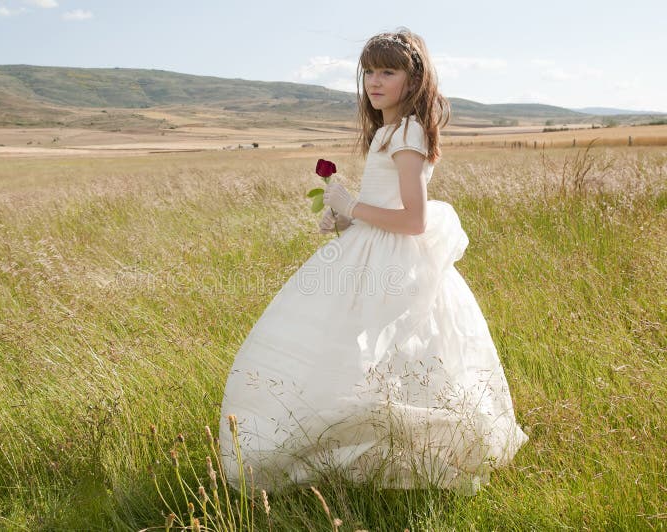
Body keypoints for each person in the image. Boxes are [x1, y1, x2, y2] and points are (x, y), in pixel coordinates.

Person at [218, 27, 529, 496]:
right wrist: (345, 220)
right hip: (372, 248)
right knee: (364, 351)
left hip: (395, 258)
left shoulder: (408, 133)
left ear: (414, 77)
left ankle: (388, 446)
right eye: (368, 72)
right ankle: (361, 441)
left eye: (388, 71)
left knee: (384, 349)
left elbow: (414, 219)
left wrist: (352, 206)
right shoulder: (390, 130)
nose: (374, 81)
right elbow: (387, 209)